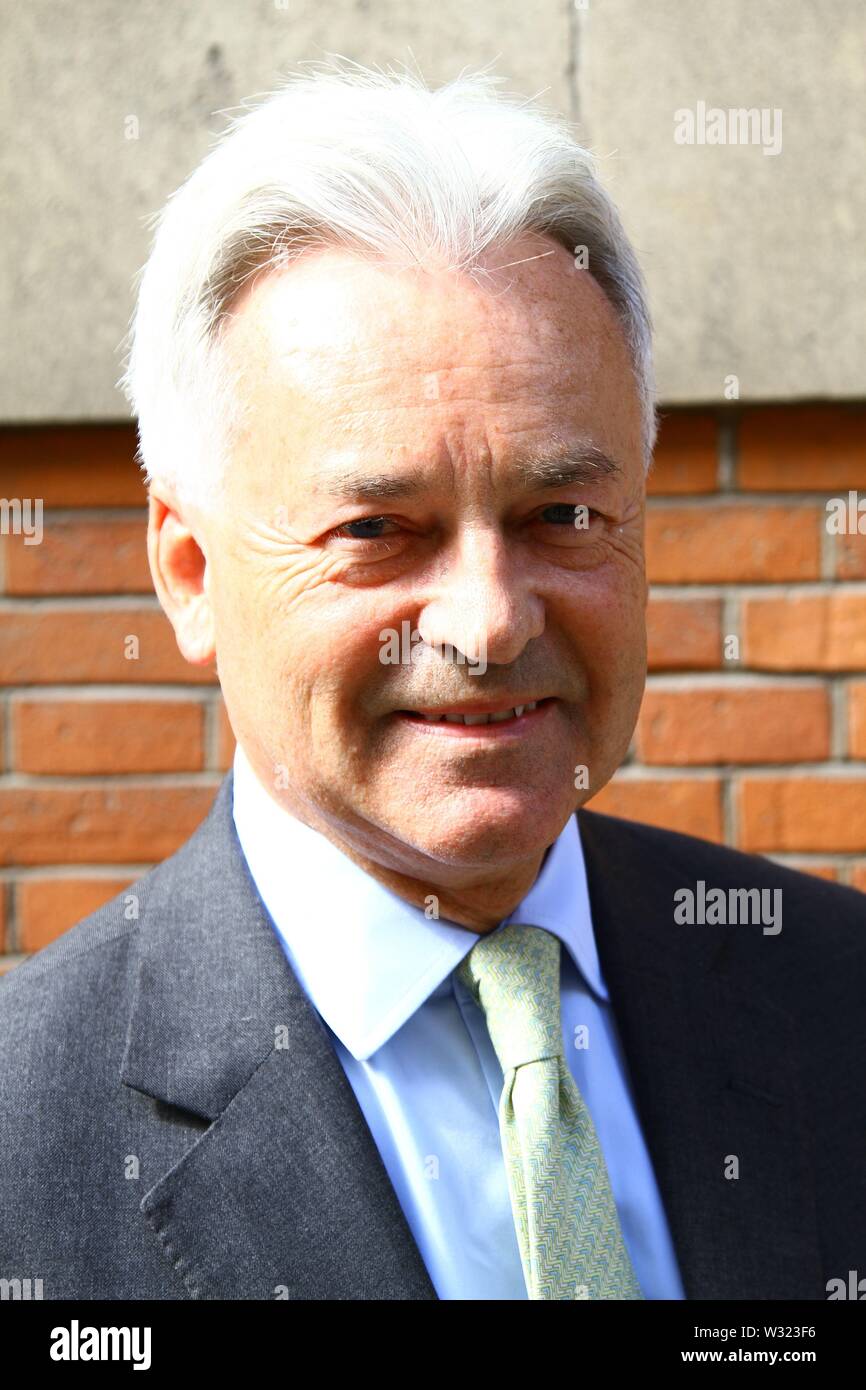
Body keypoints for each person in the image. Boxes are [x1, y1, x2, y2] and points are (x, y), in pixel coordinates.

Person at [1, 61, 863, 1302]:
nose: (490, 621)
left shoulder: (833, 996)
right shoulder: (28, 1153)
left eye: (561, 512)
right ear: (189, 571)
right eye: (377, 529)